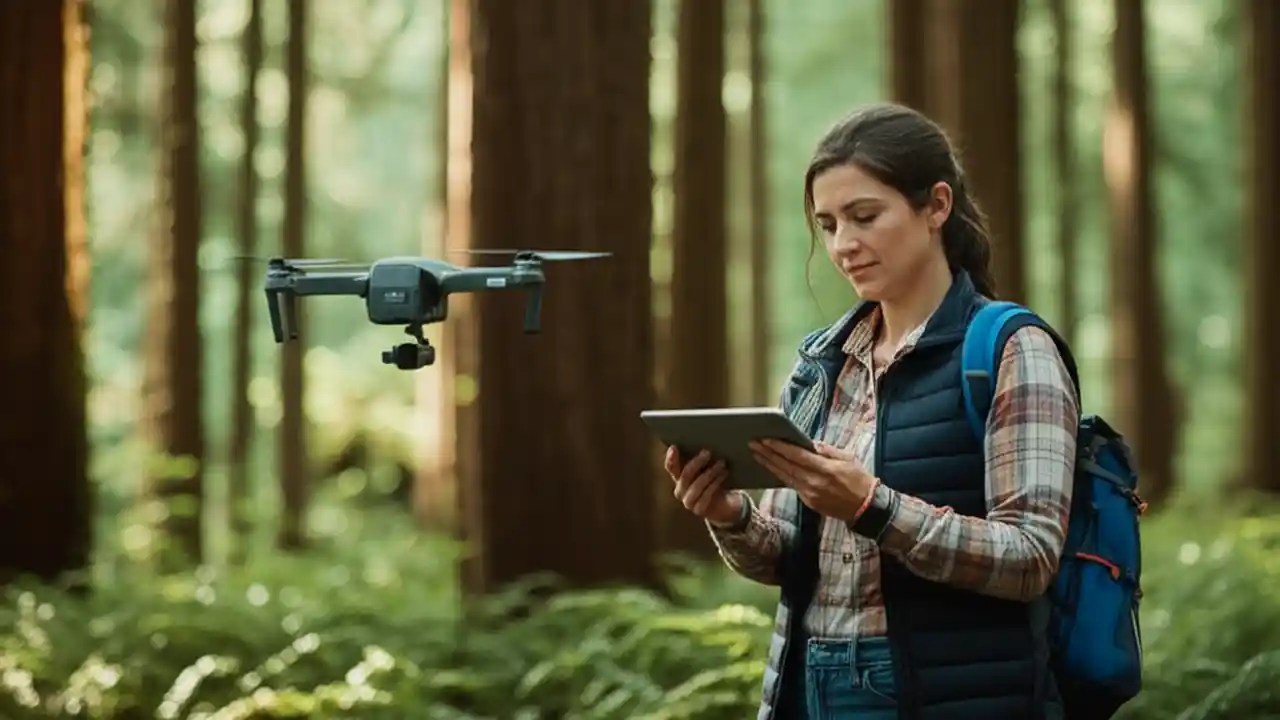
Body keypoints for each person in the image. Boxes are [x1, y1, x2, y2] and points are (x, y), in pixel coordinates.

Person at [664, 103, 1079, 720]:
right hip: (806, 682)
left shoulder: (1011, 349)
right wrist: (729, 516)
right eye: (827, 224)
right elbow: (786, 559)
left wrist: (872, 507)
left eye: (864, 217)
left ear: (936, 206)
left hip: (943, 694)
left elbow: (1030, 557)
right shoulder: (820, 363)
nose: (843, 245)